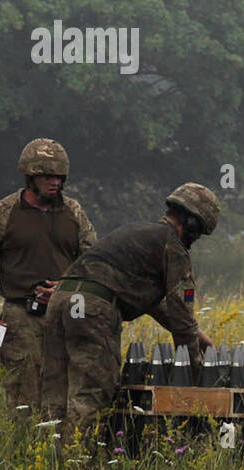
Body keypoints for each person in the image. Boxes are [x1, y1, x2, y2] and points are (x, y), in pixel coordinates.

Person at [39, 183, 219, 440]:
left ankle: (47, 454)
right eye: (198, 231)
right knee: (92, 392)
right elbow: (181, 313)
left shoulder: (137, 232)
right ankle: (77, 459)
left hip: (61, 300)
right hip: (93, 309)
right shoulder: (173, 247)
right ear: (191, 222)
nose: (196, 238)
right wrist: (195, 369)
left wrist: (198, 335)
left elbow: (150, 302)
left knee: (56, 390)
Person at [0, 139, 96, 411]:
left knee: (68, 396)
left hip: (67, 315)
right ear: (30, 176)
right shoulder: (3, 213)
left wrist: (67, 291)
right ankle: (24, 439)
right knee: (22, 400)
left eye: (60, 177)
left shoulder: (74, 213)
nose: (55, 183)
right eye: (47, 176)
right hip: (20, 316)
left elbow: (94, 264)